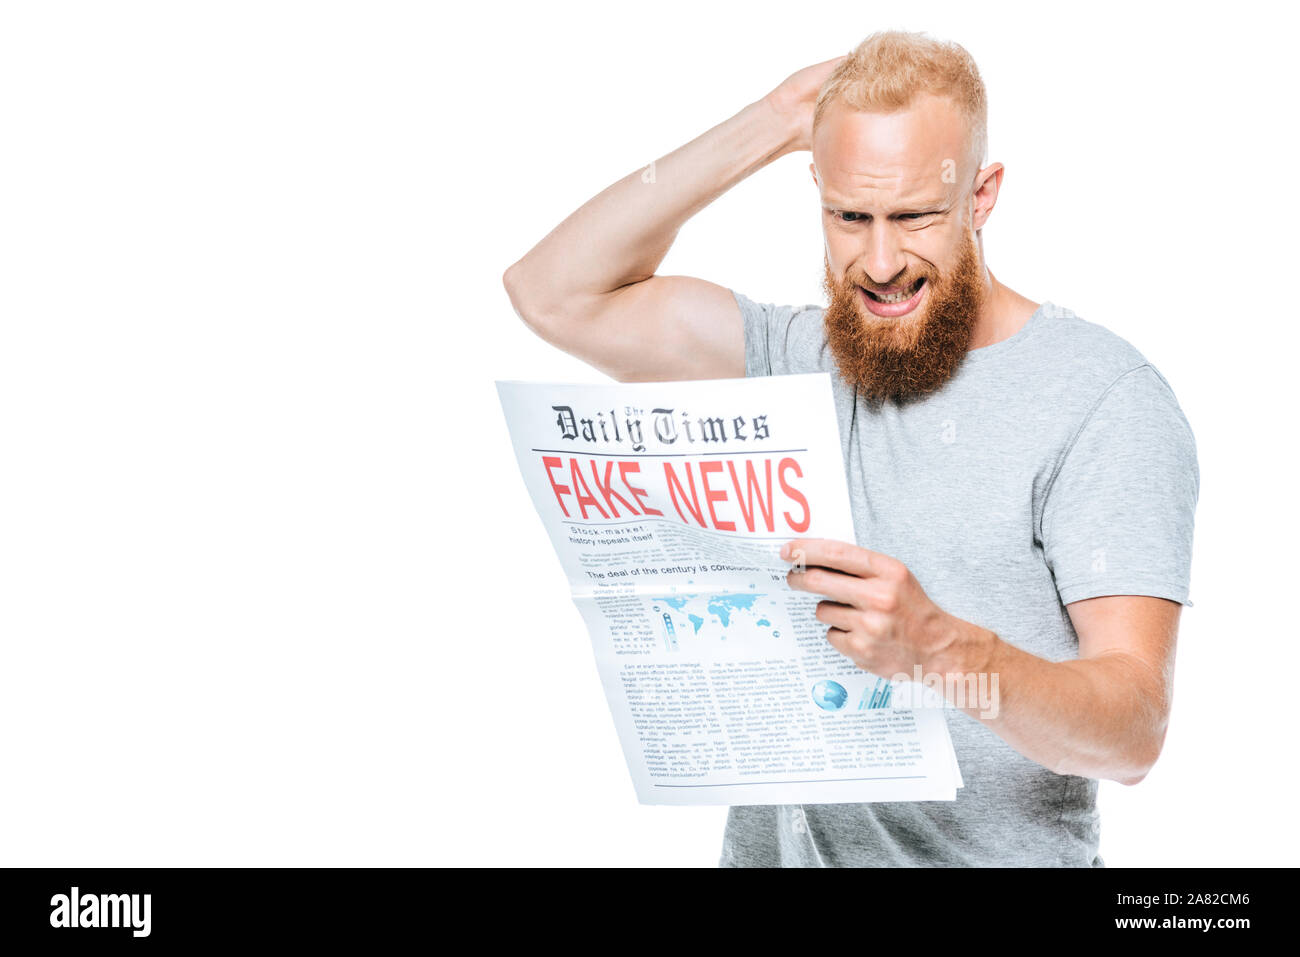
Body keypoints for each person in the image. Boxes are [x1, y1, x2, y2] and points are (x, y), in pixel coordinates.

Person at [502, 30, 1199, 867]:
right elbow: (553, 293)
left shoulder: (1100, 399)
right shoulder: (792, 357)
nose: (878, 262)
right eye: (849, 216)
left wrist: (939, 648)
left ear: (981, 197)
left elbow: (1132, 731)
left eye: (914, 216)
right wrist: (776, 117)